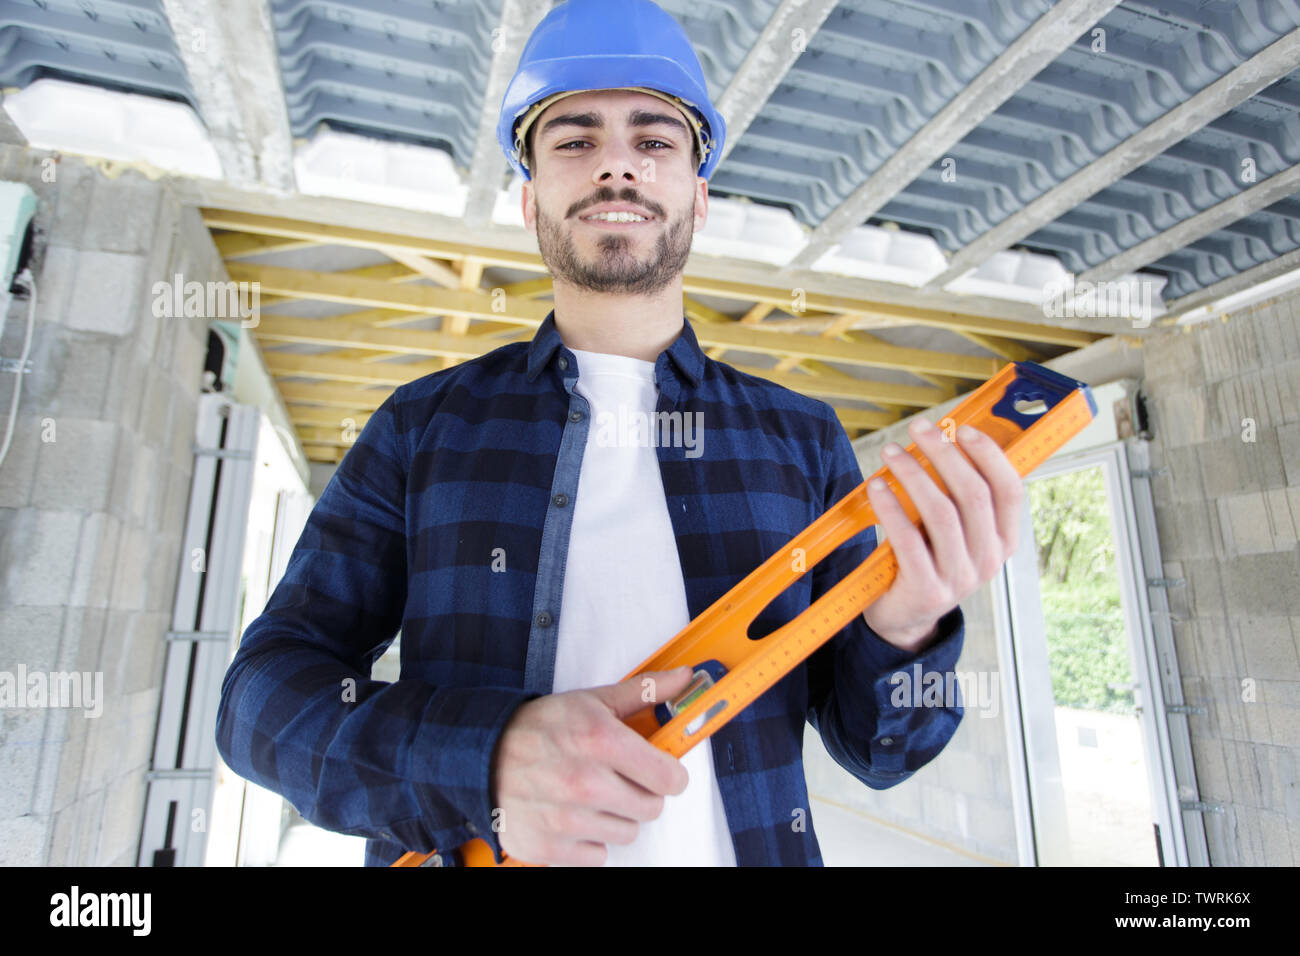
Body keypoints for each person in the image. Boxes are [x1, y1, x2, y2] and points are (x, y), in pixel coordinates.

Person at [215, 0, 1024, 867]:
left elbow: (884, 753)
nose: (615, 168)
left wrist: (905, 629)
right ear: (529, 203)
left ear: (698, 196)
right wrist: (481, 759)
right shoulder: (424, 427)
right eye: (573, 140)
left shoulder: (802, 440)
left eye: (653, 141)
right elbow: (257, 704)